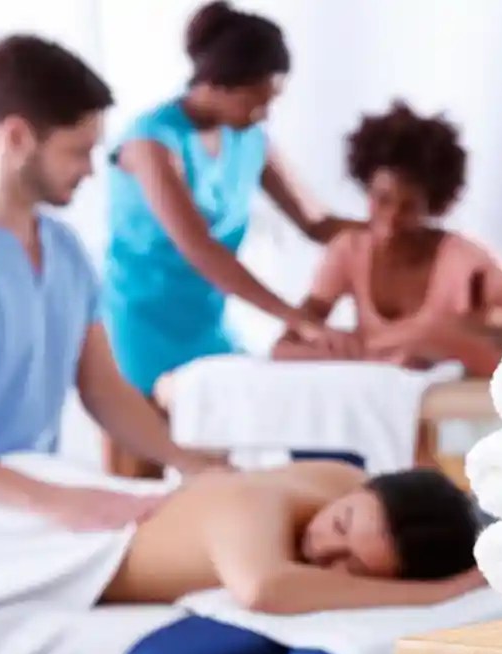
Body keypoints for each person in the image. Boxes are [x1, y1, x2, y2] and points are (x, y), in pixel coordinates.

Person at [0, 35, 227, 531]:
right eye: (78, 151)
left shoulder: (66, 250)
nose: (91, 170)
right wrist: (51, 502)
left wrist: (189, 463)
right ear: (16, 138)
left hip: (34, 495)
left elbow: (103, 388)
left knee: (213, 521)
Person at [103, 1, 363, 476]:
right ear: (217, 84)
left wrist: (395, 230)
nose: (263, 112)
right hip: (139, 321)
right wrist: (298, 319)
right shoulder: (151, 142)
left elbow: (316, 223)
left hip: (207, 320)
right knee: (141, 470)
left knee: (214, 463)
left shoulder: (251, 138)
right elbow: (199, 249)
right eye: (256, 99)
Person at [271, 101, 502, 377]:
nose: (390, 219)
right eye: (382, 199)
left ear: (433, 205)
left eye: (408, 207)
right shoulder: (348, 251)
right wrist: (336, 346)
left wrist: (465, 337)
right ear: (367, 189)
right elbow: (284, 348)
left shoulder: (469, 263)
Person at [102, 461, 485, 612]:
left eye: (349, 564)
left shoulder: (356, 493)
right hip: (78, 543)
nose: (321, 550)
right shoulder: (254, 502)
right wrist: (444, 592)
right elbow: (263, 590)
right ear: (359, 492)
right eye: (339, 523)